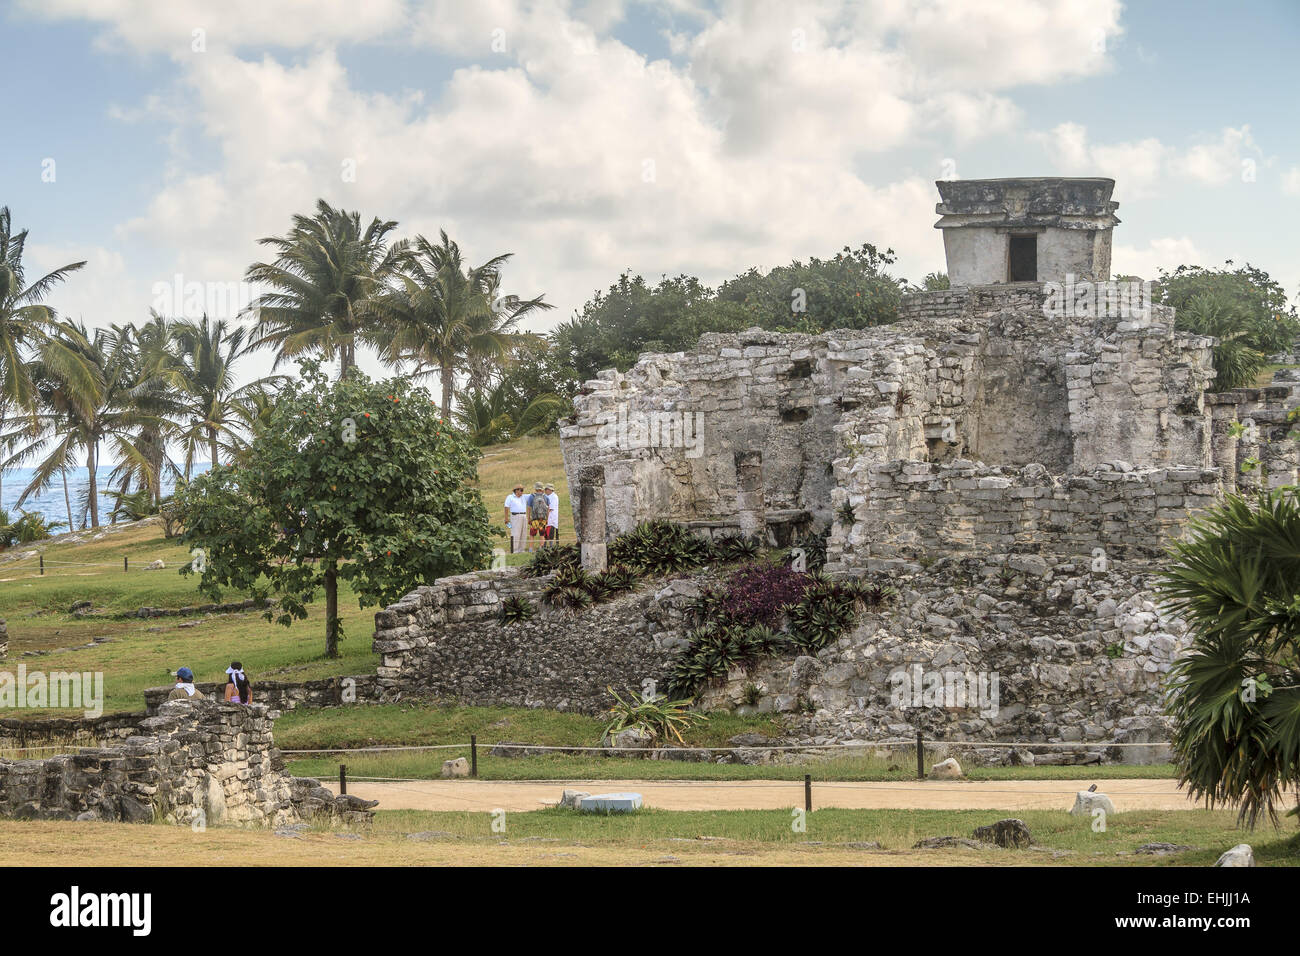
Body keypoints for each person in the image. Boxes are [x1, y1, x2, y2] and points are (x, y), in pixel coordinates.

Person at [504, 484, 528, 553]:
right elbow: (506, 507)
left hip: (524, 516)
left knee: (523, 533)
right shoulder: (510, 497)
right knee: (516, 533)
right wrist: (506, 518)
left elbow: (532, 496)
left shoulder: (523, 497)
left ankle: (522, 550)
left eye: (522, 490)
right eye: (521, 490)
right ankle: (514, 550)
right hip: (515, 516)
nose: (522, 492)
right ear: (516, 490)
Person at [526, 481, 548, 551]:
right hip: (543, 519)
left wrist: (529, 518)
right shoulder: (545, 497)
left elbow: (529, 508)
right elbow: (548, 509)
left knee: (532, 534)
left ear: (535, 489)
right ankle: (541, 548)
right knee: (542, 534)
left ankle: (530, 549)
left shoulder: (531, 496)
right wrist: (547, 518)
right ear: (542, 489)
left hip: (534, 519)